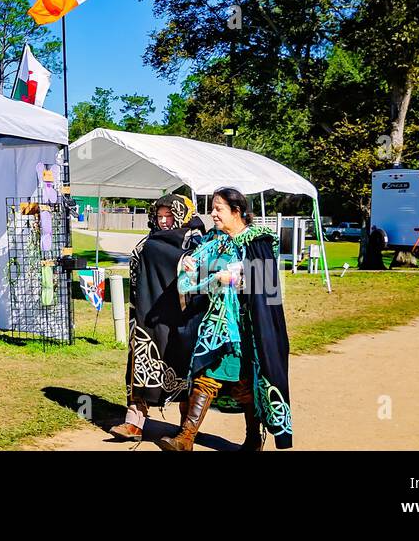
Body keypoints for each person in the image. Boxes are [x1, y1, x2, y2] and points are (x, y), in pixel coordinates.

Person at [155, 187, 292, 451]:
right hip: (217, 325)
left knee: (245, 383)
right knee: (208, 373)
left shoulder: (257, 241)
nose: (213, 214)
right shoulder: (214, 241)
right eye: (213, 208)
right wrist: (189, 265)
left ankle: (253, 437)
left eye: (218, 209)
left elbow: (268, 287)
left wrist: (238, 280)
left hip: (249, 327)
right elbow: (193, 278)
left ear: (236, 211)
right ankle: (186, 438)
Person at [108, 194, 205, 440]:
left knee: (183, 368)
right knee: (139, 362)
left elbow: (201, 274)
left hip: (180, 317)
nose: (162, 221)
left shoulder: (195, 240)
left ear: (182, 214)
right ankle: (134, 422)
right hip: (146, 315)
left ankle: (186, 429)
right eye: (159, 216)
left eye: (168, 216)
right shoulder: (148, 241)